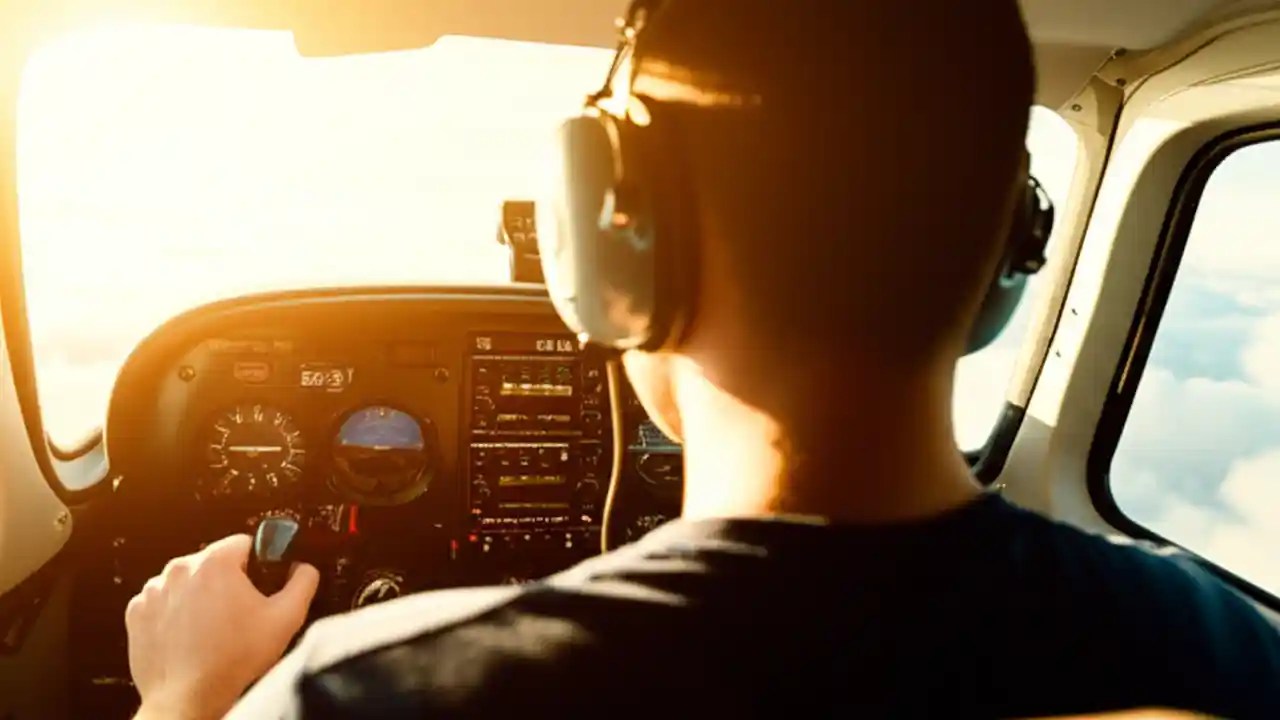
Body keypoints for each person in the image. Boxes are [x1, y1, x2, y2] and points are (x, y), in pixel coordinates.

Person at [125, 1, 1280, 718]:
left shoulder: (363, 691)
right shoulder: (1223, 652)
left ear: (608, 248)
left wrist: (185, 695)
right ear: (1004, 263)